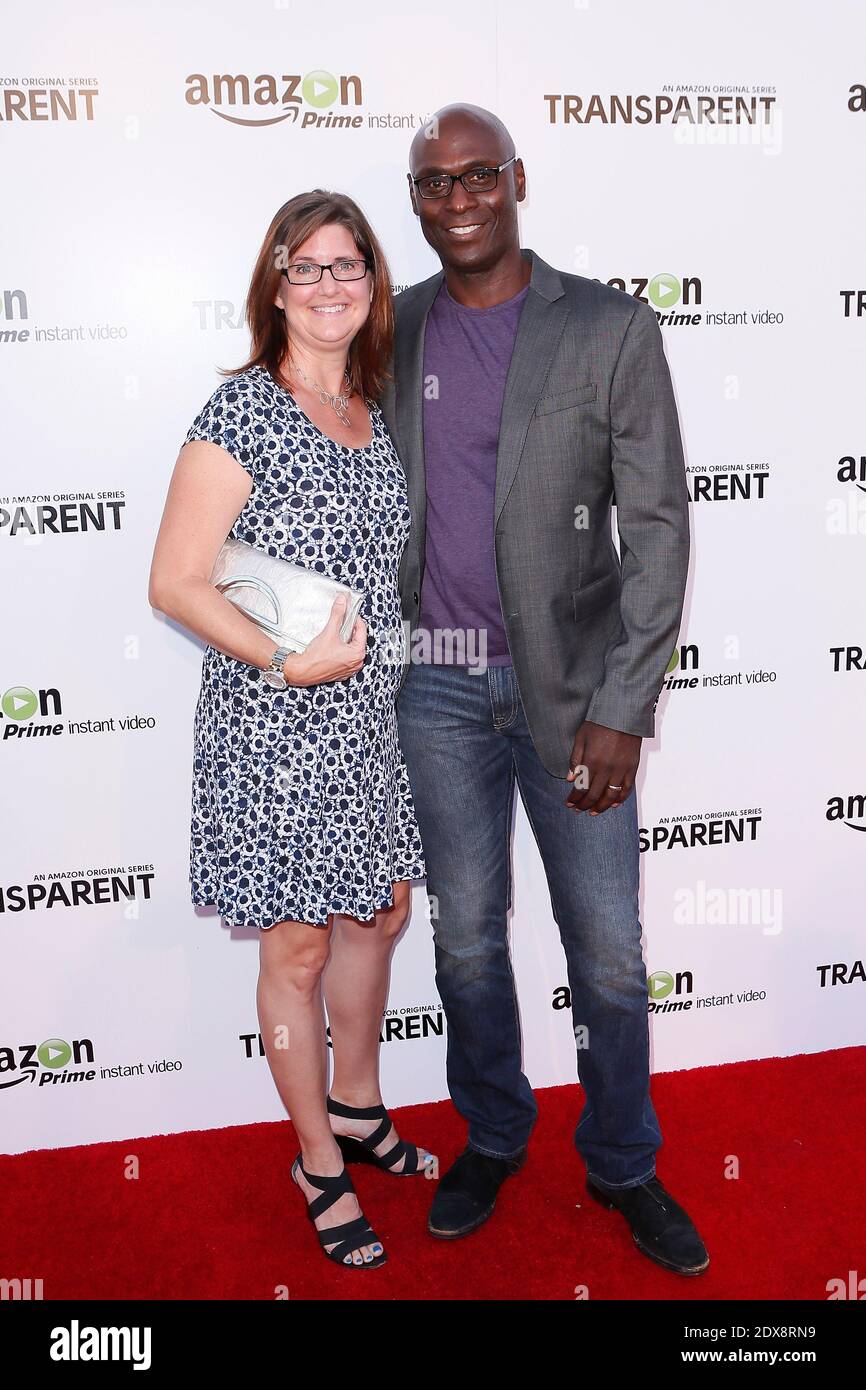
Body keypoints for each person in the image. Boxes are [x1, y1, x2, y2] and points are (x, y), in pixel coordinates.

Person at [380, 104, 709, 1275]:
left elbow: (657, 526)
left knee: (607, 950)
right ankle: (495, 1133)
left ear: (514, 180)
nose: (456, 199)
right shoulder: (395, 327)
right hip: (433, 693)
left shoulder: (609, 328)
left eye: (476, 176)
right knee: (465, 940)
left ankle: (622, 1161)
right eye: (432, 184)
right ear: (414, 201)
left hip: (575, 698)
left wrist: (622, 707)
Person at [148, 190, 435, 1272]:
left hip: (364, 720)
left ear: (372, 283)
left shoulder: (375, 408)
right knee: (301, 941)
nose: (327, 286)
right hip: (270, 722)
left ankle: (357, 1104)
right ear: (274, 285)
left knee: (379, 908)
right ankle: (316, 1159)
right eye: (303, 267)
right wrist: (283, 658)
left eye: (346, 265)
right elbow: (174, 582)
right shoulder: (239, 413)